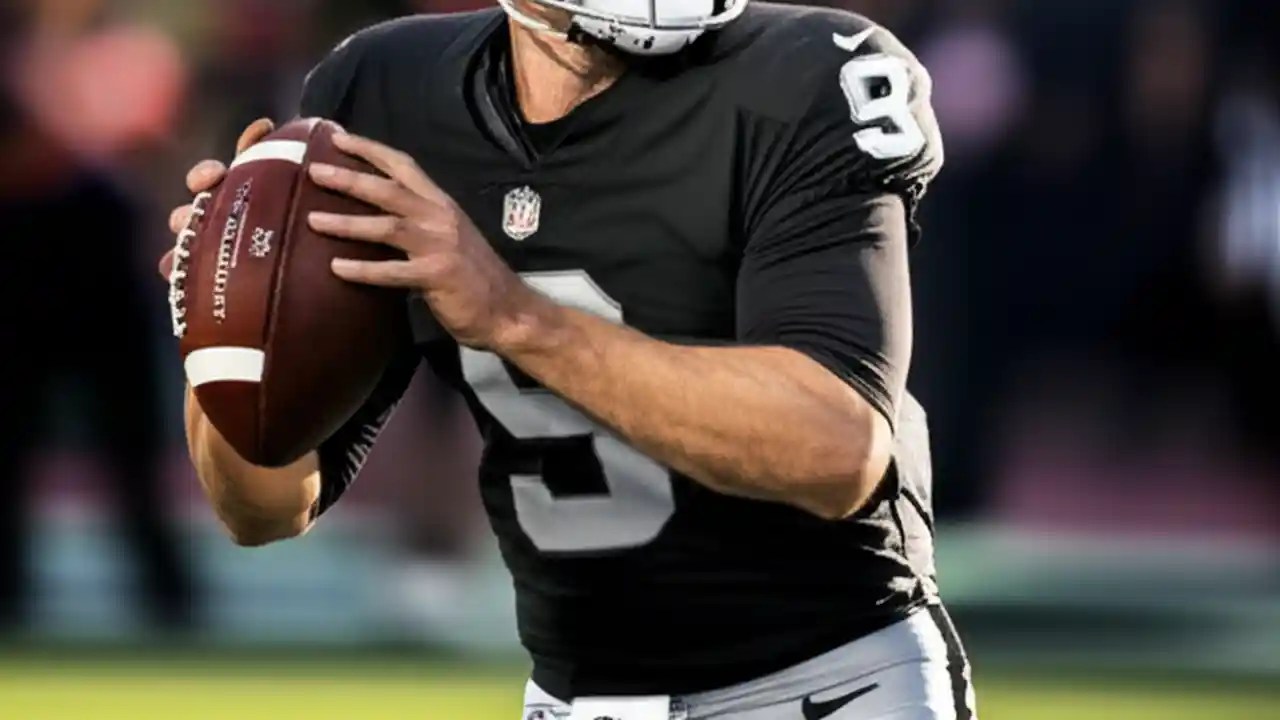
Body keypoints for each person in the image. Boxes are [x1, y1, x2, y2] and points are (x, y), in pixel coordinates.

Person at [166, 1, 974, 717]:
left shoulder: (808, 74)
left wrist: (514, 315)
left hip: (827, 683)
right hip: (572, 696)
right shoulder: (384, 89)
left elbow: (836, 450)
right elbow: (263, 507)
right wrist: (227, 335)